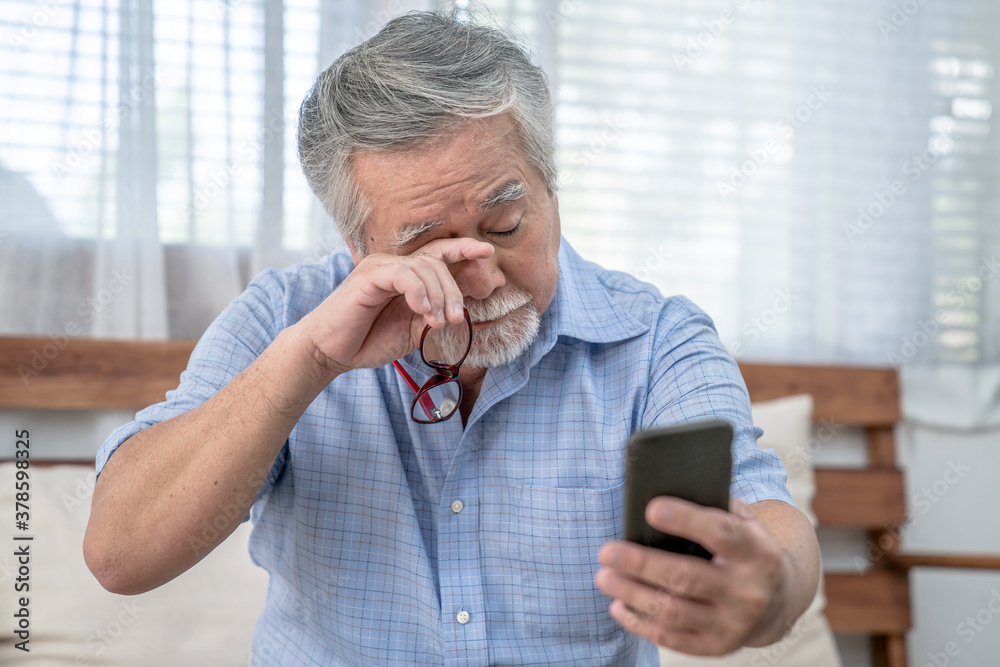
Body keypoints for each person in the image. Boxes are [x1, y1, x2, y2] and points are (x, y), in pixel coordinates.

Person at [84, 11, 820, 666]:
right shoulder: (283, 320)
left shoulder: (656, 339)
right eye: (428, 245)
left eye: (506, 225)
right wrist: (311, 360)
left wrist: (768, 587)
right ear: (357, 244)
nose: (482, 271)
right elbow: (119, 552)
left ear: (550, 188)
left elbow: (770, 521)